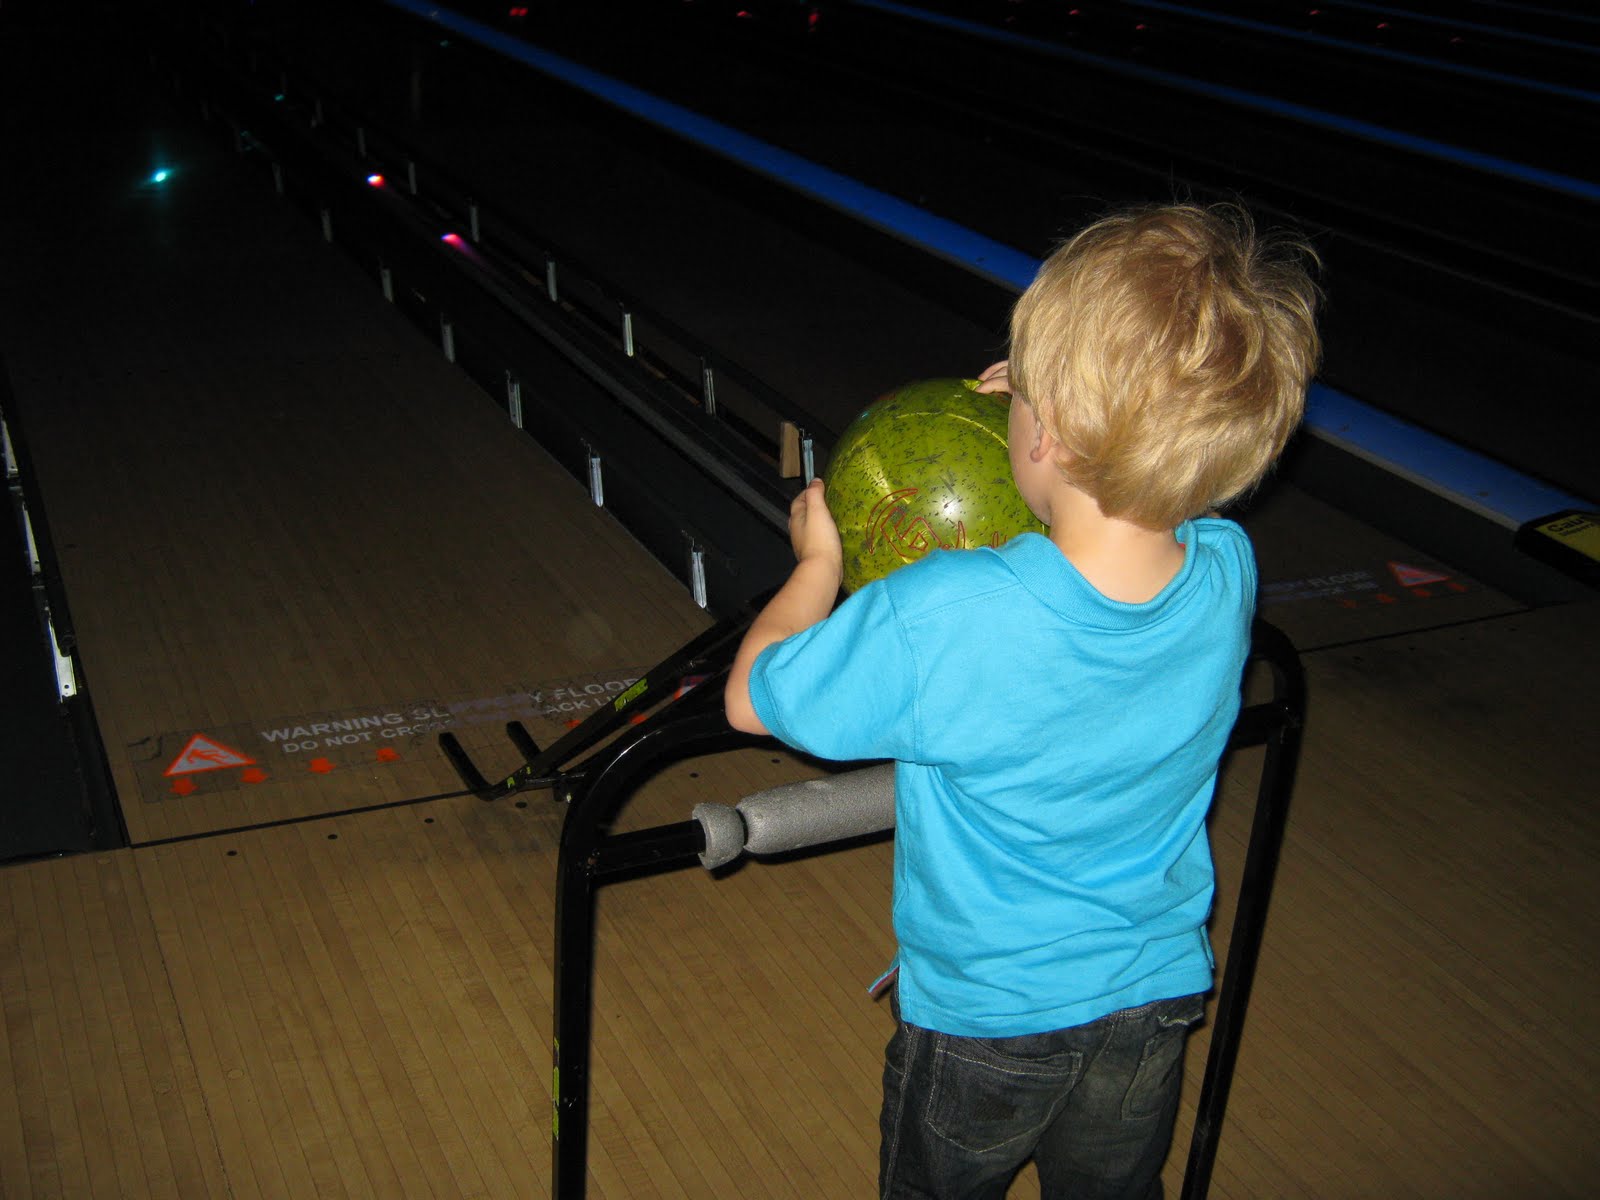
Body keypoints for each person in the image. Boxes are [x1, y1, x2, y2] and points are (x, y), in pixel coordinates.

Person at [724, 202, 1321, 1199]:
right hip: (1152, 1007)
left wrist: (817, 566)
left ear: (1042, 438)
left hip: (985, 1025)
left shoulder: (945, 615)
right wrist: (1071, 420)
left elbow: (754, 699)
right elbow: (1166, 499)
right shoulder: (1226, 571)